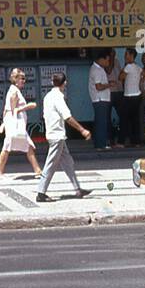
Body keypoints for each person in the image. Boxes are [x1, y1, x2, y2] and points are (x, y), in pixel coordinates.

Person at [36, 73, 92, 203]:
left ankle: (78, 189)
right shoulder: (58, 98)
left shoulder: (48, 96)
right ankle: (41, 192)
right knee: (50, 165)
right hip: (57, 136)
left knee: (68, 163)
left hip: (54, 134)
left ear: (52, 82)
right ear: (65, 83)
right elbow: (67, 117)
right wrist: (82, 130)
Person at [0, 68, 42, 178]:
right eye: (22, 78)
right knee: (8, 147)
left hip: (15, 124)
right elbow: (13, 110)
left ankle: (38, 170)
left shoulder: (14, 90)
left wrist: (3, 123)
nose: (24, 81)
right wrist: (28, 106)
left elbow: (7, 110)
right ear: (16, 79)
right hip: (15, 124)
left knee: (25, 146)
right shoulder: (14, 91)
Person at [88, 50, 114, 150]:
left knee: (101, 121)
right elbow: (98, 86)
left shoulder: (98, 68)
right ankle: (100, 144)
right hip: (100, 99)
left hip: (101, 99)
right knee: (101, 122)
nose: (108, 63)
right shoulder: (97, 70)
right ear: (101, 59)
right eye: (107, 60)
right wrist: (109, 85)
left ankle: (100, 143)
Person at [120, 48, 144, 147]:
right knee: (135, 120)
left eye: (126, 54)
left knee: (124, 119)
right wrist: (139, 82)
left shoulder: (128, 67)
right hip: (137, 95)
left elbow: (120, 77)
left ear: (131, 56)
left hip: (129, 96)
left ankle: (121, 141)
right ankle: (136, 141)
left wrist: (123, 67)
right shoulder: (138, 67)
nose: (125, 56)